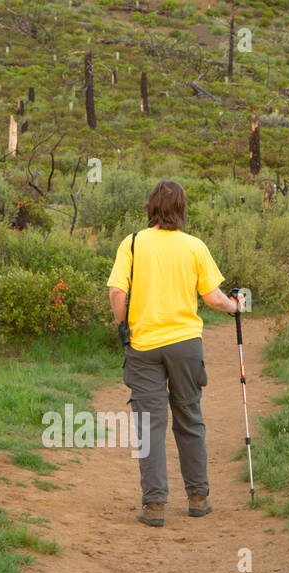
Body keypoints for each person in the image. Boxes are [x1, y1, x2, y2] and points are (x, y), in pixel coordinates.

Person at [106, 180, 240, 528]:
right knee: (189, 417)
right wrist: (235, 307)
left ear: (150, 207)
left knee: (150, 426)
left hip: (144, 345)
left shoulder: (132, 243)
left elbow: (117, 292)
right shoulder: (194, 247)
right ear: (181, 209)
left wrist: (124, 328)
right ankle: (198, 497)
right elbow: (213, 299)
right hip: (185, 345)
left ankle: (154, 506)